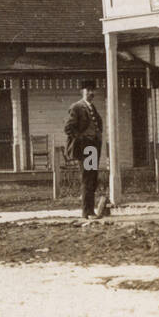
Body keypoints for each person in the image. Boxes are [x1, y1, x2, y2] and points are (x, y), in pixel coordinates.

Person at [63, 84, 104, 219]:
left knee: (92, 178)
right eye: (88, 90)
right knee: (88, 178)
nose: (91, 93)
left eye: (93, 90)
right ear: (82, 91)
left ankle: (90, 211)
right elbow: (68, 128)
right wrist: (82, 139)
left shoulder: (92, 107)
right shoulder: (77, 107)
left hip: (93, 147)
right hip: (86, 148)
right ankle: (87, 212)